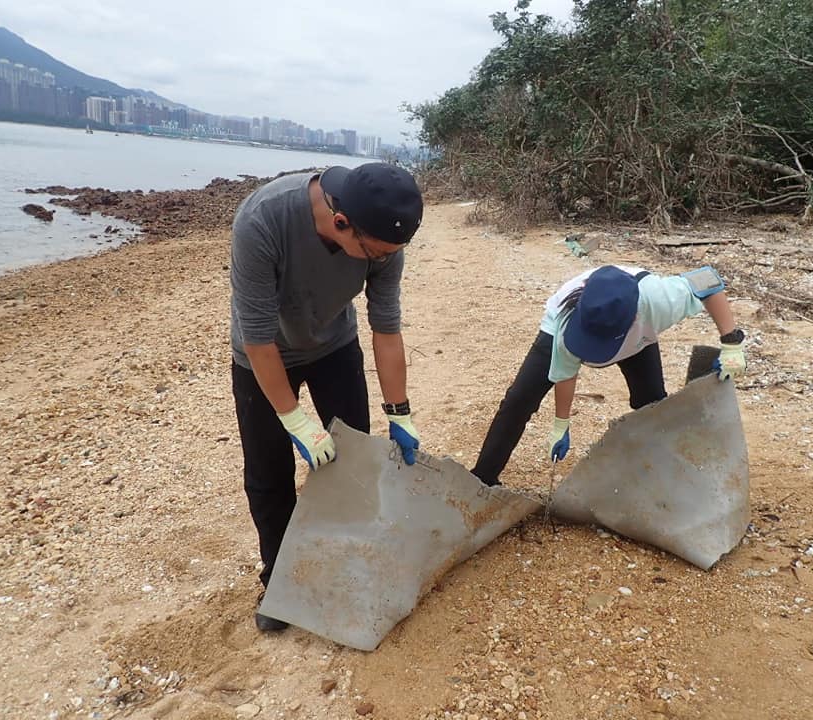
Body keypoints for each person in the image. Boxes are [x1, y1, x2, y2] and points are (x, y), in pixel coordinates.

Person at [229, 163, 424, 631]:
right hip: (264, 353)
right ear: (341, 222)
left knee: (353, 460)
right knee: (268, 473)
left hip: (334, 345)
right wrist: (296, 421)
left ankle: (346, 561)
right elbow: (257, 338)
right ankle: (281, 581)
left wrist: (400, 412)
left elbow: (386, 328)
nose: (383, 261)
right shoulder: (262, 221)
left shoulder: (384, 239)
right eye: (376, 254)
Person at [470, 264, 747, 487]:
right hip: (581, 324)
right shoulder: (565, 325)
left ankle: (659, 477)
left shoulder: (660, 300)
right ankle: (482, 479)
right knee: (519, 400)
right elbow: (566, 372)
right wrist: (561, 425)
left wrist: (731, 342)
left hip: (637, 330)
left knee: (651, 404)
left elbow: (708, 280)